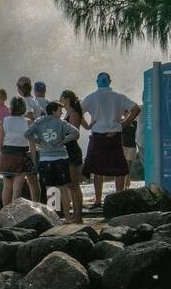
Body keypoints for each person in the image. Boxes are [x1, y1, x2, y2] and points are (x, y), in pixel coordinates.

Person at [82, 72, 140, 207]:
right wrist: (123, 124)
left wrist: (87, 125)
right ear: (110, 81)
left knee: (98, 169)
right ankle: (119, 197)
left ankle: (97, 200)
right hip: (115, 134)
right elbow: (136, 109)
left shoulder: (90, 98)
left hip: (97, 136)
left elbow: (78, 112)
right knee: (119, 168)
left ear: (97, 81)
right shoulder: (118, 97)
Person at [26, 101, 81, 220]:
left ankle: (54, 217)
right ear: (53, 111)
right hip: (61, 158)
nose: (61, 113)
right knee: (63, 188)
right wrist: (62, 142)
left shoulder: (39, 122)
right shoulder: (61, 122)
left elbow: (27, 134)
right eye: (59, 110)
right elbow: (76, 133)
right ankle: (67, 217)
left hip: (45, 159)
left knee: (51, 188)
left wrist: (39, 142)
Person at [0, 96, 39, 206]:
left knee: (7, 187)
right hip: (22, 155)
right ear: (24, 107)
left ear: (11, 107)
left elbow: (0, 140)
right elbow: (32, 144)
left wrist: (3, 153)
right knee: (17, 188)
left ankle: (4, 212)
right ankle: (14, 214)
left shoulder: (5, 121)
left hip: (7, 153)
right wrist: (33, 160)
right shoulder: (28, 122)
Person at [60, 89, 87, 222]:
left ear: (67, 99)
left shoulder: (74, 114)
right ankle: (75, 214)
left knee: (74, 185)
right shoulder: (69, 113)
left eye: (61, 98)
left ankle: (78, 216)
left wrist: (60, 140)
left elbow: (75, 134)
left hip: (72, 151)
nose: (60, 100)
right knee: (70, 184)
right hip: (67, 151)